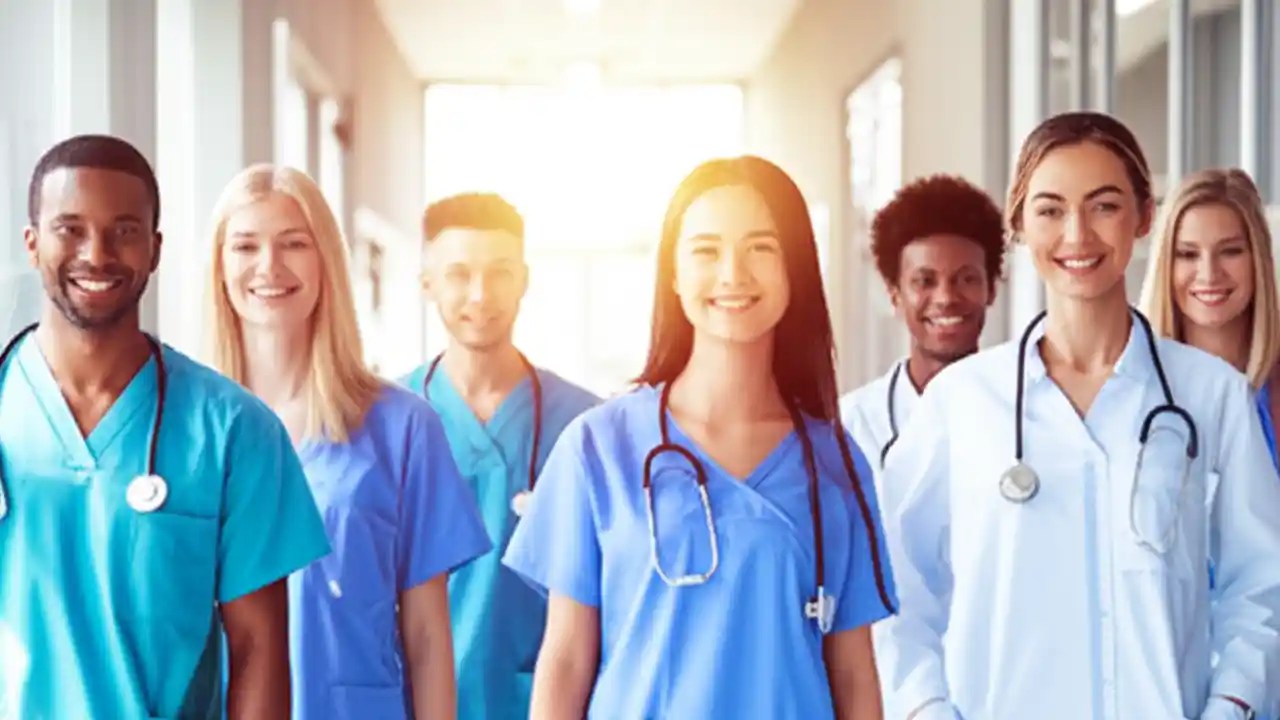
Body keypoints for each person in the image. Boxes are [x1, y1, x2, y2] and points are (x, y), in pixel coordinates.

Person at [877, 111, 1280, 720]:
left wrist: (1229, 706)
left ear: (1144, 217)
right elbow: (894, 587)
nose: (1077, 234)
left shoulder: (1211, 395)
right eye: (1050, 210)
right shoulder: (962, 402)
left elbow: (1261, 585)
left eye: (1104, 206)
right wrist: (925, 709)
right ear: (1018, 224)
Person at [502, 156, 896, 719]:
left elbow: (854, 673)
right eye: (707, 251)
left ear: (796, 269)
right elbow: (565, 661)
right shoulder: (598, 449)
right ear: (673, 273)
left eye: (761, 248)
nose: (733, 274)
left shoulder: (833, 462)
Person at [0, 135, 330, 718]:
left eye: (124, 230)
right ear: (32, 243)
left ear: (155, 249)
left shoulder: (235, 432)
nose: (96, 253)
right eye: (70, 229)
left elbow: (258, 649)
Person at [204, 164, 492, 720]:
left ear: (327, 262)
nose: (269, 266)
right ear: (220, 267)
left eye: (294, 243)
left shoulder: (403, 427)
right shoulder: (188, 428)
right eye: (245, 246)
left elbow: (427, 636)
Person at [400, 192, 600, 719]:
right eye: (459, 274)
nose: (480, 294)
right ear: (427, 283)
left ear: (525, 280)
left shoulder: (585, 427)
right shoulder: (386, 422)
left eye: (500, 273)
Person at [839, 175, 1005, 473]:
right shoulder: (852, 427)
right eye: (925, 281)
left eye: (966, 279)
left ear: (991, 289)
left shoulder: (1022, 415)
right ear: (895, 295)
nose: (946, 298)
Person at [1138, 168, 1280, 468]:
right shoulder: (1135, 386)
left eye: (1230, 251)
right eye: (1188, 254)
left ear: (1258, 259)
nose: (1209, 274)